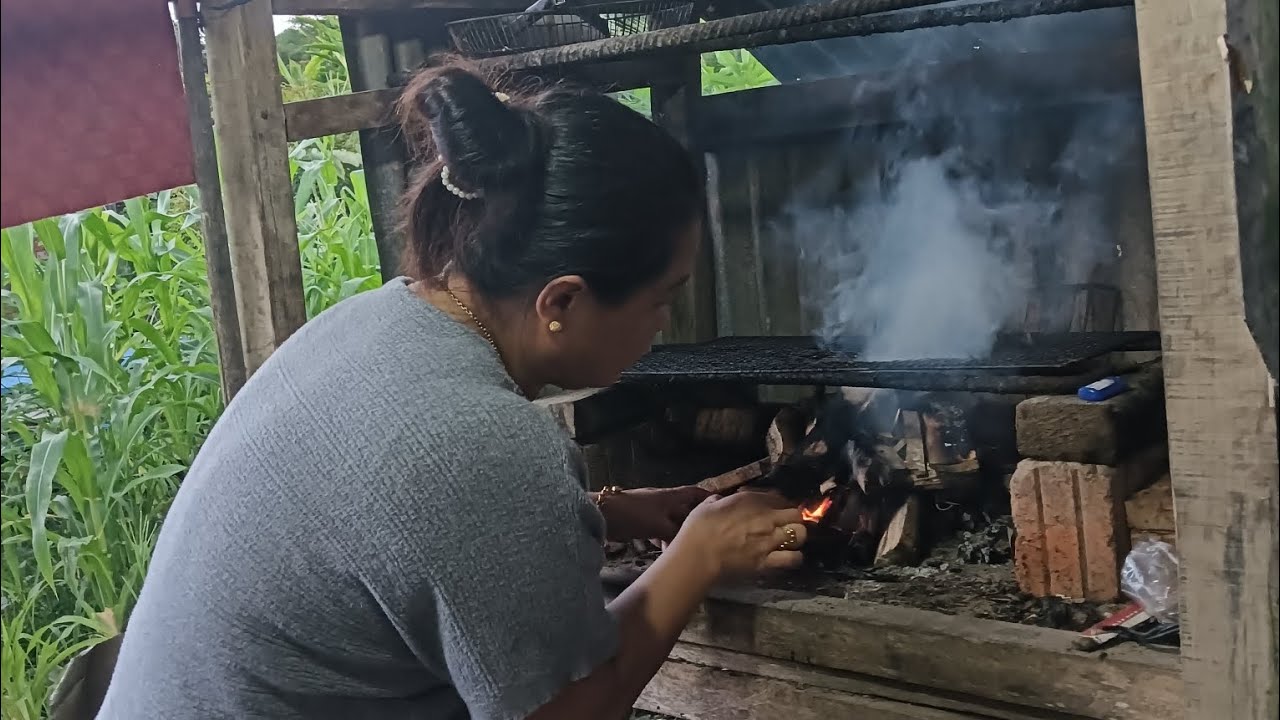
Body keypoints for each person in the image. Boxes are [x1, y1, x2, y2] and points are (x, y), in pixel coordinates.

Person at [96, 56, 808, 720]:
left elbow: (394, 529)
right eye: (662, 299)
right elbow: (566, 713)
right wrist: (697, 558)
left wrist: (599, 511)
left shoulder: (379, 319)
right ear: (560, 304)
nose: (664, 324)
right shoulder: (482, 442)